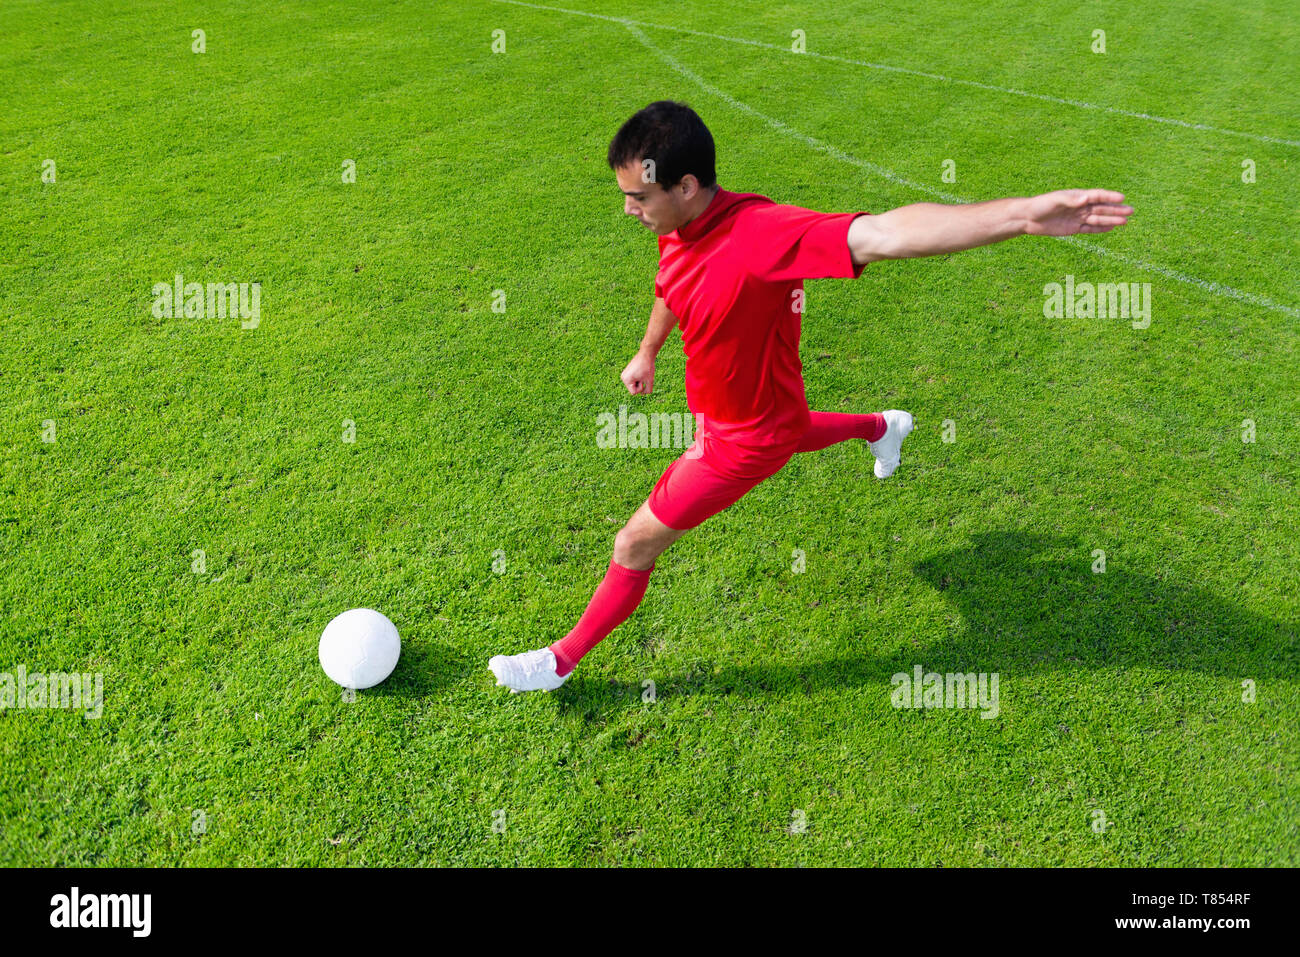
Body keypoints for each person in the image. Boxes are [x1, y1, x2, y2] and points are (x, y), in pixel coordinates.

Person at [488, 100, 1132, 693]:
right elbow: (670, 282)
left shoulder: (762, 235)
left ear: (685, 185)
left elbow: (883, 234)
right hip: (769, 411)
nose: (629, 209)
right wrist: (649, 350)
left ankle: (559, 662)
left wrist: (1022, 216)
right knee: (794, 427)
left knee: (633, 544)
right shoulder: (679, 223)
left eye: (638, 196)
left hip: (739, 441)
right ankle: (883, 426)